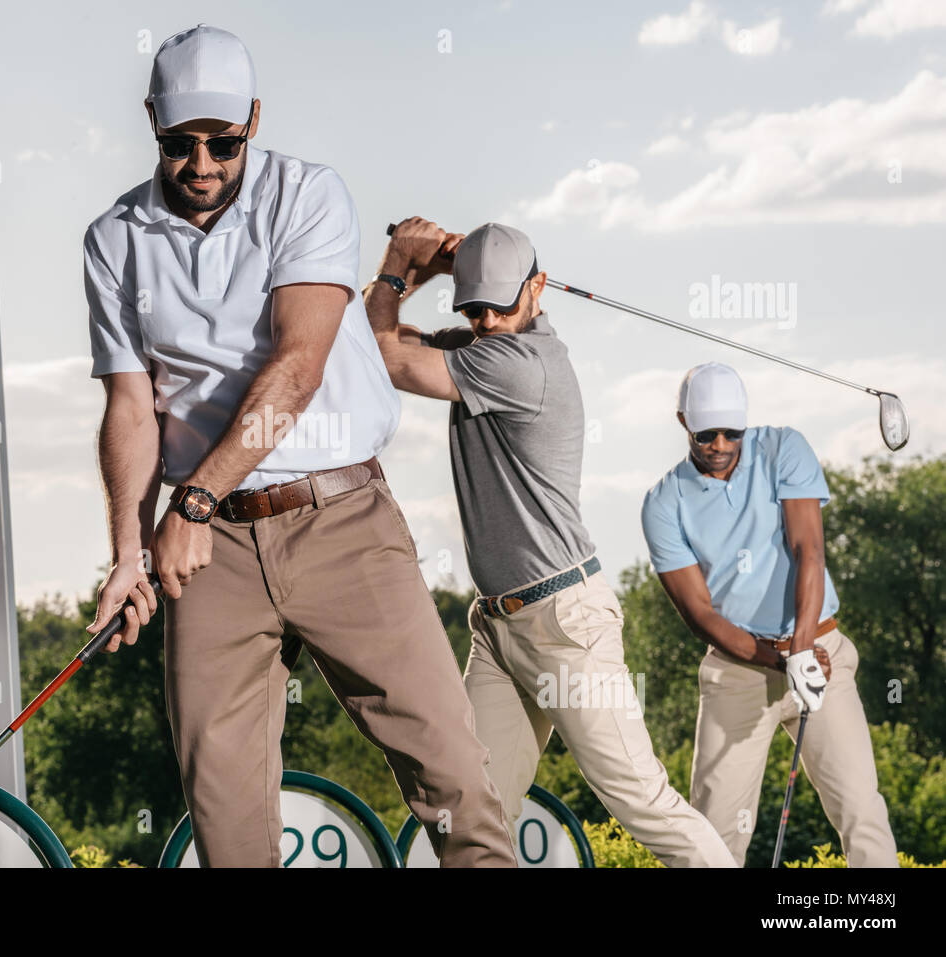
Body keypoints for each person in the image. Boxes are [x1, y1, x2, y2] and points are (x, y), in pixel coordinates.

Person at [82, 27, 516, 867]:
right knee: (227, 820)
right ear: (151, 125)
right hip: (211, 555)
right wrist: (127, 554)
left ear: (252, 119)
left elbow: (299, 363)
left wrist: (192, 501)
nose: (202, 162)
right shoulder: (113, 240)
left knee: (454, 778)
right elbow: (131, 408)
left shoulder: (308, 195)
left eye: (223, 141)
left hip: (340, 518)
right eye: (180, 143)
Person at [367, 217, 736, 867]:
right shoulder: (484, 344)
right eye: (474, 308)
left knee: (642, 799)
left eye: (500, 304)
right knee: (472, 814)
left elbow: (385, 356)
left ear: (537, 286)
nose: (486, 320)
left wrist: (402, 263)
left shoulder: (521, 363)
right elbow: (373, 338)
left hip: (566, 623)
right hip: (501, 626)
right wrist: (447, 269)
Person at [640, 362, 898, 866]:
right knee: (713, 833)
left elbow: (810, 550)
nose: (719, 444)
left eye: (730, 432)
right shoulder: (663, 501)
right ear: (682, 422)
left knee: (861, 810)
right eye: (705, 433)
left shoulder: (783, 448)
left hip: (821, 652)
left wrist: (801, 649)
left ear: (745, 423)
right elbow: (700, 615)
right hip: (737, 672)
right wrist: (782, 662)